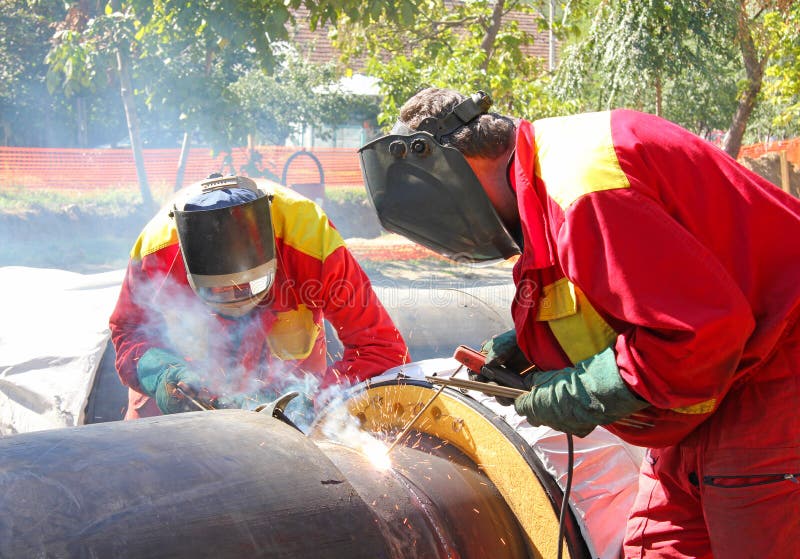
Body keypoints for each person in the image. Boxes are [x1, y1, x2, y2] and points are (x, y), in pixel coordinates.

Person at [358, 87, 800, 558]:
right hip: (713, 395)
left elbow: (699, 335)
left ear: (464, 167)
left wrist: (585, 392)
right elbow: (617, 292)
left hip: (775, 379)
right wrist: (532, 344)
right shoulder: (545, 173)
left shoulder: (584, 188)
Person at [109, 174, 409, 425]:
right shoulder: (157, 251)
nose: (237, 302)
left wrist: (317, 398)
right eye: (218, 292)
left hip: (293, 403)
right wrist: (164, 375)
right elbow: (127, 333)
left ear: (273, 258)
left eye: (248, 288)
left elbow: (382, 349)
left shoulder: (309, 239)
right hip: (184, 405)